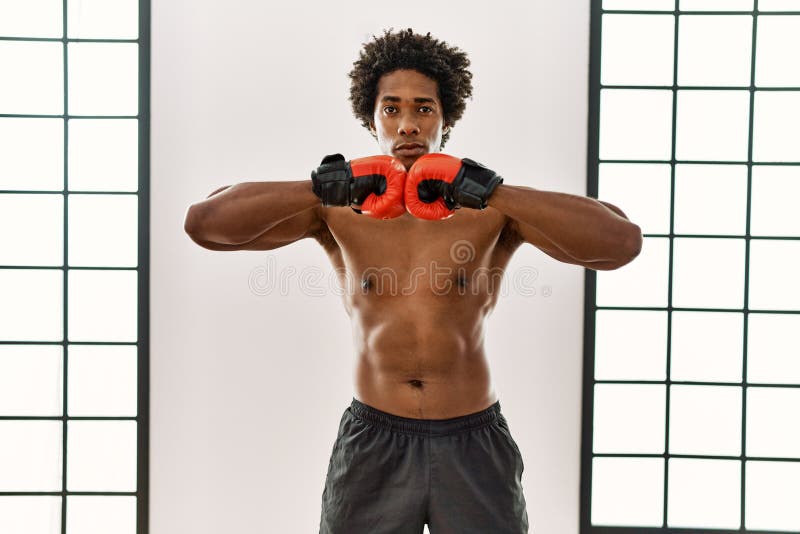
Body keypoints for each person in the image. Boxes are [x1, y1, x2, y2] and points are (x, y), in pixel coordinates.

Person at [183, 28, 641, 534]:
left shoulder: (490, 213)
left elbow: (621, 243)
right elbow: (204, 224)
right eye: (391, 109)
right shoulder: (337, 210)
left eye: (424, 109)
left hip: (473, 440)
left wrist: (493, 191)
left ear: (447, 120)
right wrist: (321, 185)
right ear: (371, 117)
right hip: (373, 440)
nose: (407, 125)